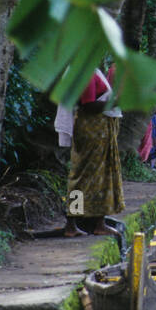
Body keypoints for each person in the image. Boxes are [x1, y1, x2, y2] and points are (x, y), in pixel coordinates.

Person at [64, 67, 124, 237]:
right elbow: (88, 104)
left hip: (96, 128)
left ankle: (94, 222)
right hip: (93, 128)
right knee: (88, 175)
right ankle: (74, 223)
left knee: (94, 175)